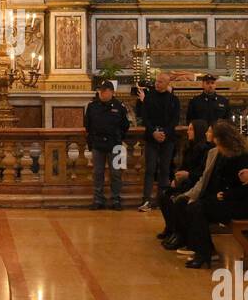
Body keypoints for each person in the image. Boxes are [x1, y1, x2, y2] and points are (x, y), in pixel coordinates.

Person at [169, 120, 248, 269]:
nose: (216, 145)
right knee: (194, 205)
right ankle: (203, 250)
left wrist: (225, 195)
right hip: (230, 200)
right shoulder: (223, 155)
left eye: (217, 141)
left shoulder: (242, 157)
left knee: (197, 208)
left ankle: (203, 253)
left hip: (243, 205)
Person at [155, 119, 211, 240]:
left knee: (177, 199)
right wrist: (176, 178)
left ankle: (180, 233)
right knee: (163, 195)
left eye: (191, 129)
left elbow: (203, 172)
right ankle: (171, 228)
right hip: (187, 182)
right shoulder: (190, 147)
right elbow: (184, 167)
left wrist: (188, 175)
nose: (188, 132)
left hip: (196, 185)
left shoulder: (205, 150)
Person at [134, 72, 181, 211]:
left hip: (168, 138)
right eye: (156, 81)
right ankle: (146, 199)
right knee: (150, 169)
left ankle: (162, 199)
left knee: (165, 169)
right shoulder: (149, 98)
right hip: (151, 137)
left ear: (167, 84)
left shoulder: (173, 100)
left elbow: (175, 120)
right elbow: (145, 117)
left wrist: (164, 132)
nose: (157, 84)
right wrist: (154, 132)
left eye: (160, 82)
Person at [85, 80, 130, 210]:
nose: (102, 93)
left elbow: (125, 125)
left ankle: (116, 199)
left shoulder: (119, 106)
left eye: (105, 90)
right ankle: (98, 199)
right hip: (98, 145)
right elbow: (87, 124)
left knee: (116, 173)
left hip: (115, 145)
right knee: (97, 173)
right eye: (101, 90)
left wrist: (119, 137)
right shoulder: (92, 106)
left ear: (111, 92)